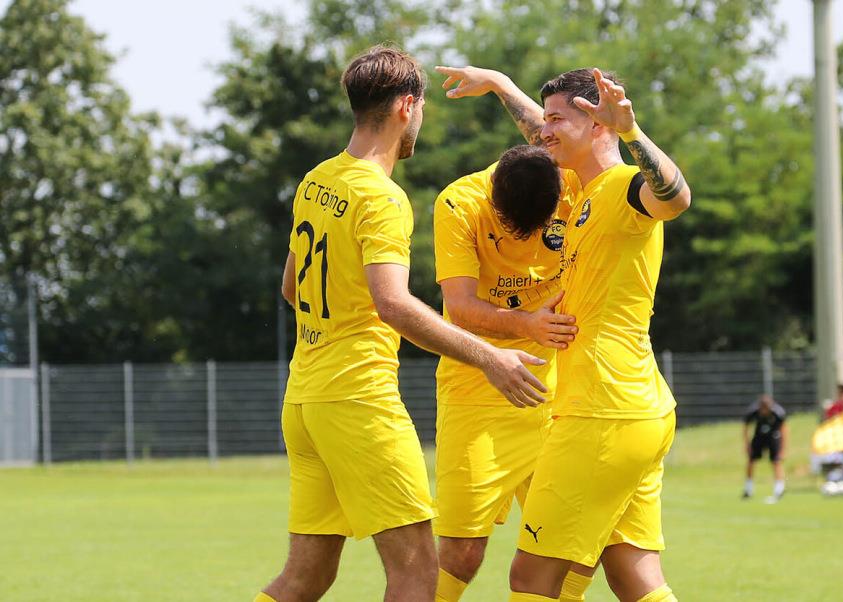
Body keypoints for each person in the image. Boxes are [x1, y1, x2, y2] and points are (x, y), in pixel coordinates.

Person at [254, 45, 549, 602]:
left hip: (306, 401)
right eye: (422, 111)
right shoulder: (382, 198)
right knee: (416, 576)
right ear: (406, 107)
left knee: (305, 579)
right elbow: (392, 304)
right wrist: (491, 356)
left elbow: (292, 288)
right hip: (359, 401)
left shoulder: (317, 181)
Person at [437, 65, 691, 602]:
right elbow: (543, 136)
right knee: (633, 576)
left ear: (596, 124)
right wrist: (503, 87)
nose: (543, 130)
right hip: (635, 407)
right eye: (545, 118)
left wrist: (631, 130)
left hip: (602, 412)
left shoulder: (622, 189)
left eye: (557, 120)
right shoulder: (582, 188)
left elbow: (675, 198)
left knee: (531, 579)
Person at [432, 143, 584, 602]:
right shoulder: (458, 203)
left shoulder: (571, 181)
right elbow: (458, 308)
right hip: (475, 395)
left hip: (556, 399)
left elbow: (556, 124)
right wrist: (527, 325)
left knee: (570, 547)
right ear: (493, 195)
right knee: (462, 551)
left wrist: (500, 84)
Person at [741, 394, 788, 503]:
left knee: (776, 462)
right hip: (759, 436)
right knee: (751, 461)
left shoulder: (778, 412)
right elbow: (745, 426)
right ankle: (748, 489)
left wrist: (783, 448)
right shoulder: (753, 411)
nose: (764, 412)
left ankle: (779, 489)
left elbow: (784, 429)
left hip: (774, 436)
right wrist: (747, 444)